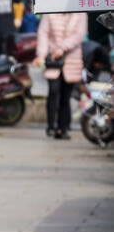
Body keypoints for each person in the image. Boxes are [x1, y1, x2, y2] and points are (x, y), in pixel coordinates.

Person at [36, 11, 87, 140]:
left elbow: (79, 35)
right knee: (53, 92)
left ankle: (62, 128)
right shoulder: (49, 11)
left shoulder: (80, 13)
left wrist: (62, 48)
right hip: (52, 60)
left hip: (71, 60)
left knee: (66, 96)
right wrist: (41, 54)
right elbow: (43, 33)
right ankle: (51, 126)